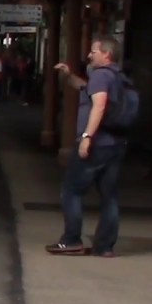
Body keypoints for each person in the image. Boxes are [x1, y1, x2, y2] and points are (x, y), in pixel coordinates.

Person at [47, 35, 129, 257]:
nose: (89, 55)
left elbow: (99, 105)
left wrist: (86, 136)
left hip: (97, 144)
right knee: (109, 196)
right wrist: (69, 76)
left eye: (94, 51)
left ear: (106, 54)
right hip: (115, 144)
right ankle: (105, 247)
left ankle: (71, 240)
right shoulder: (118, 77)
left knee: (71, 191)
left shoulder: (101, 76)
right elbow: (86, 88)